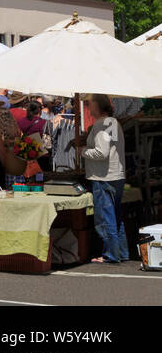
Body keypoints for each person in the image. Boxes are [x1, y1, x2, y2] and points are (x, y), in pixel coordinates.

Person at [78, 95, 128, 264]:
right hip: (116, 175)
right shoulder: (113, 122)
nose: (88, 107)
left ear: (98, 106)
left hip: (103, 176)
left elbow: (101, 152)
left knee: (106, 218)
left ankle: (111, 254)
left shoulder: (102, 124)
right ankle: (120, 251)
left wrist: (83, 151)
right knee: (115, 216)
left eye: (90, 103)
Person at [46, 100, 78, 172]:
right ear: (63, 110)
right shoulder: (69, 123)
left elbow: (47, 144)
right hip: (67, 158)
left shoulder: (48, 123)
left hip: (53, 158)